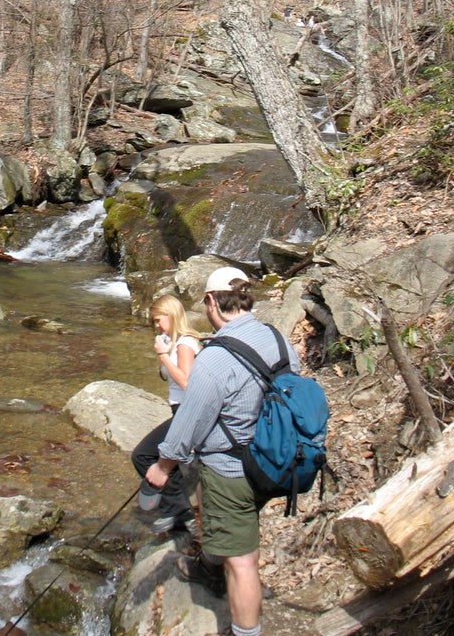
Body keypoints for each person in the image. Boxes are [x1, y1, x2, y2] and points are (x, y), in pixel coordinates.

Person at [144, 267, 301, 636]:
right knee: (229, 525)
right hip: (275, 459)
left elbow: (190, 421)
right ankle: (211, 562)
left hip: (231, 470)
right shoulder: (279, 339)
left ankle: (244, 630)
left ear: (212, 302)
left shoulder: (215, 358)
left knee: (243, 561)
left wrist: (163, 467)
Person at [132, 295, 201, 533]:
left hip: (186, 410)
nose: (157, 326)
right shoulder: (175, 341)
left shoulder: (186, 343)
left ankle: (179, 511)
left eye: (159, 320)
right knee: (156, 456)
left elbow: (186, 382)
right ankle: (180, 511)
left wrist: (163, 355)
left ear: (171, 316)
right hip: (178, 410)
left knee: (142, 455)